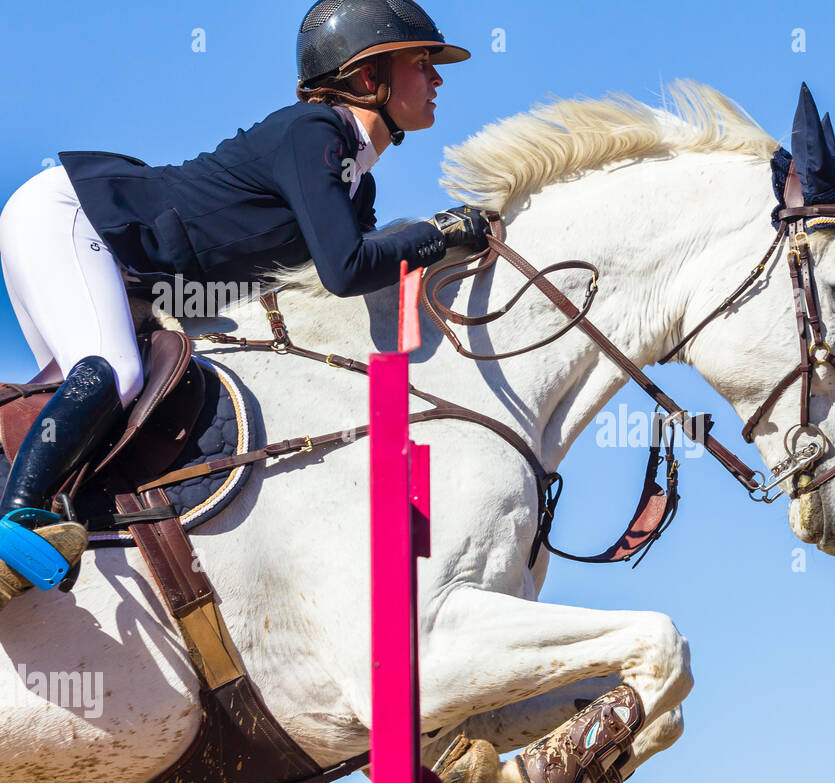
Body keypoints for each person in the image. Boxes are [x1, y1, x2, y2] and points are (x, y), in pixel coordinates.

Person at [0, 0, 488, 612]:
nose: (438, 78)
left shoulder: (355, 181)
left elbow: (339, 282)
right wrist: (439, 234)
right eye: (422, 63)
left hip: (117, 257)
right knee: (114, 372)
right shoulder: (316, 132)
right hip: (76, 216)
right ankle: (16, 524)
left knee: (82, 408)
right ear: (369, 79)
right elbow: (345, 270)